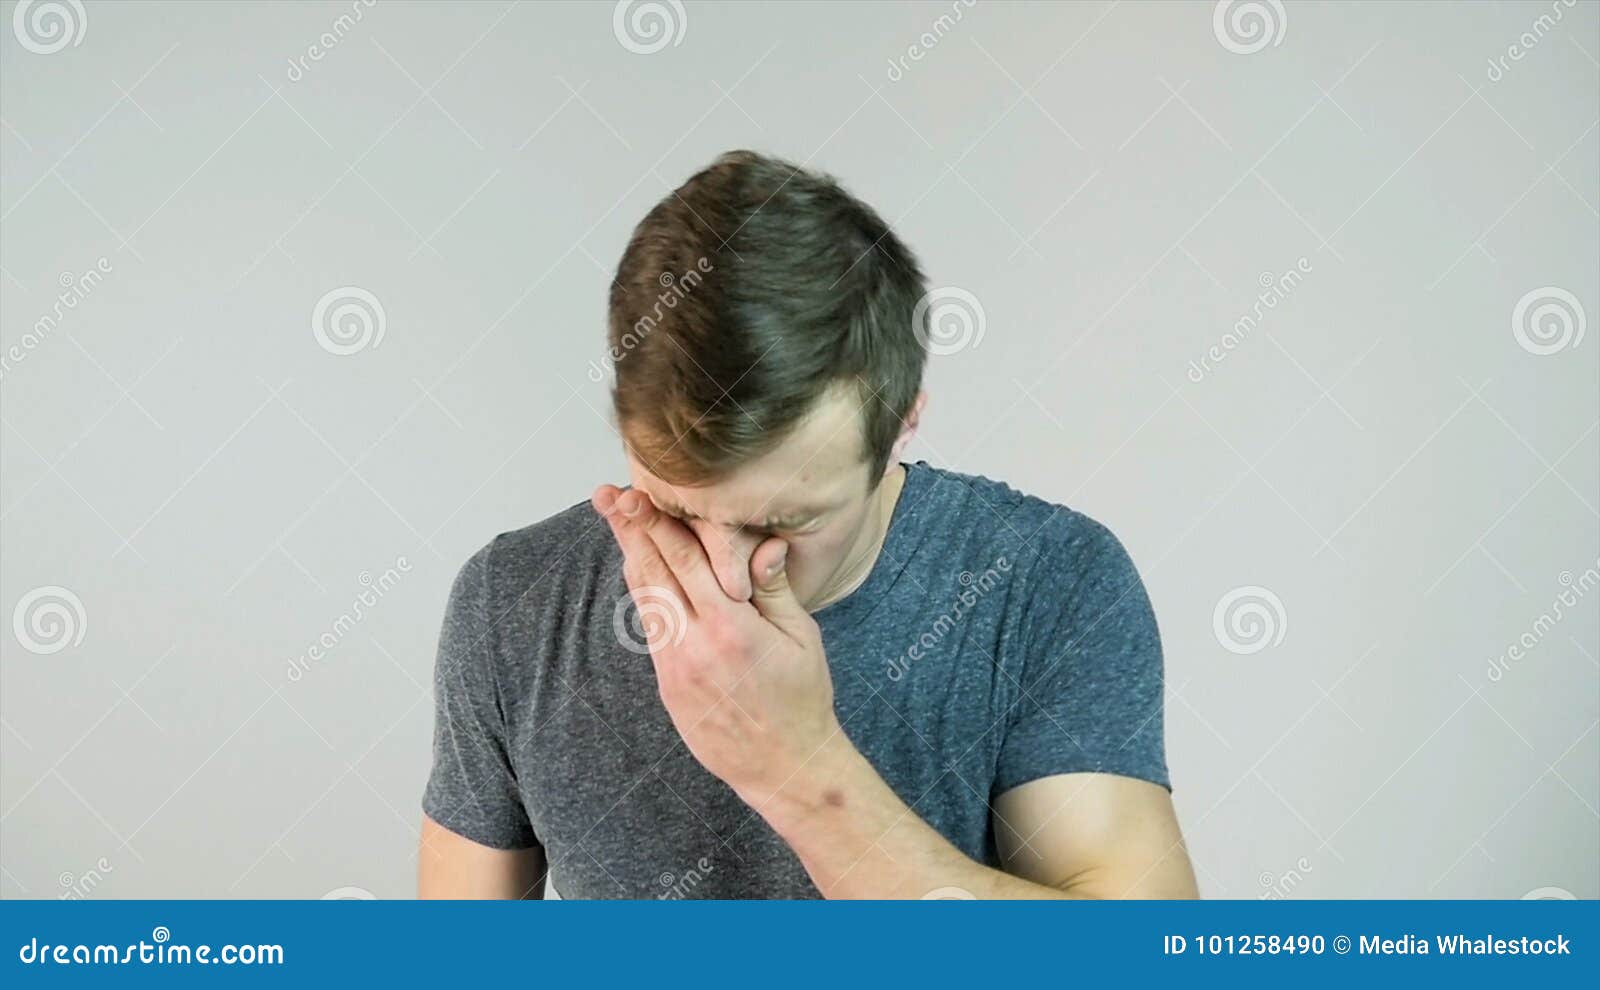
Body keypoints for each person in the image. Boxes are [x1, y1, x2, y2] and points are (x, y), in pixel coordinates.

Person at [417, 150, 1197, 899]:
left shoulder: (1045, 581)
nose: (724, 574)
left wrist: (798, 769)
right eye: (677, 509)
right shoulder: (512, 604)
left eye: (783, 522)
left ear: (900, 430)